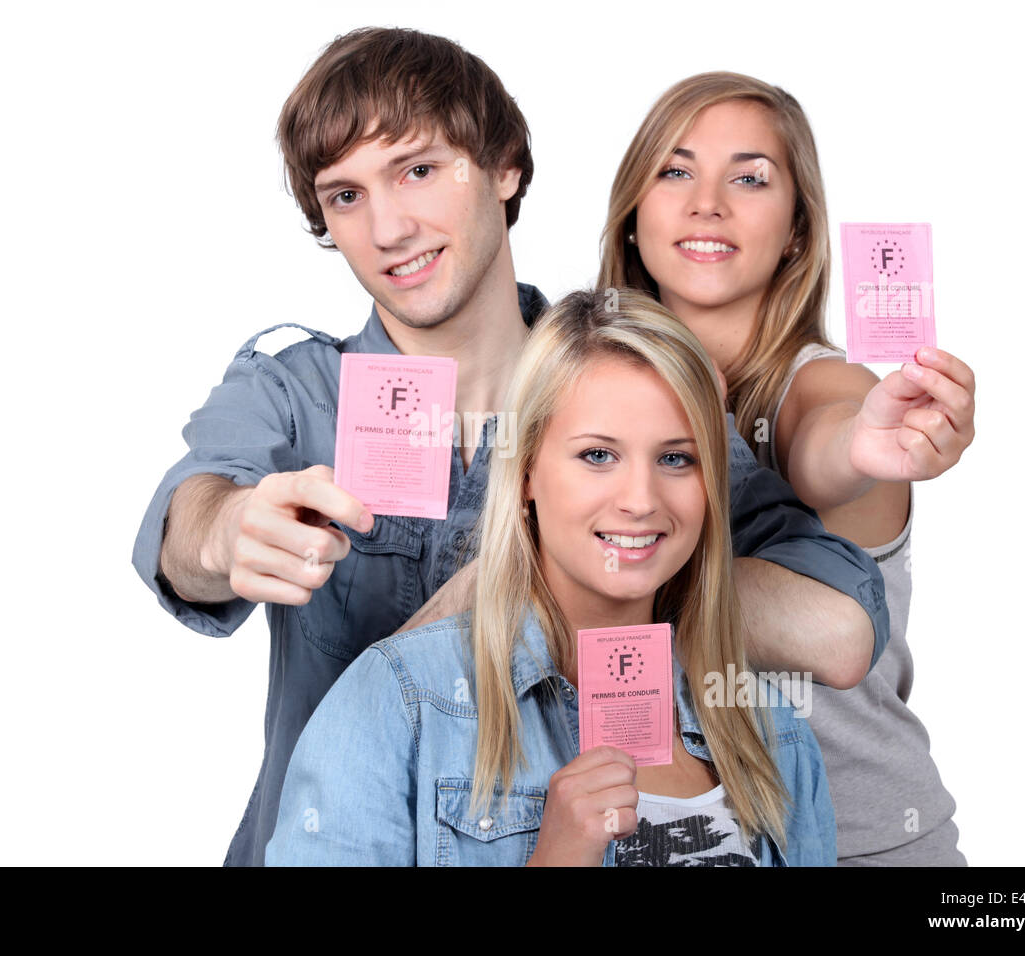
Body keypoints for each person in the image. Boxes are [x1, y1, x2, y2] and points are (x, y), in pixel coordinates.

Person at [131, 29, 886, 868]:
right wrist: (229, 528)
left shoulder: (612, 378)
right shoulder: (294, 388)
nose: (387, 227)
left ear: (504, 168)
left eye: (417, 170)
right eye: (344, 197)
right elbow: (184, 527)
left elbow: (841, 630)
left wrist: (578, 556)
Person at [266, 289, 834, 866]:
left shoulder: (770, 729)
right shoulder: (397, 703)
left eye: (675, 459)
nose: (640, 501)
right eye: (597, 455)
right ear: (528, 469)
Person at [596, 72, 976, 864]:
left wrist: (865, 443)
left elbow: (824, 448)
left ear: (798, 231)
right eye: (675, 170)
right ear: (633, 216)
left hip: (858, 842)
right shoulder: (588, 386)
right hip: (683, 837)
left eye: (749, 177)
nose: (708, 202)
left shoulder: (823, 390)